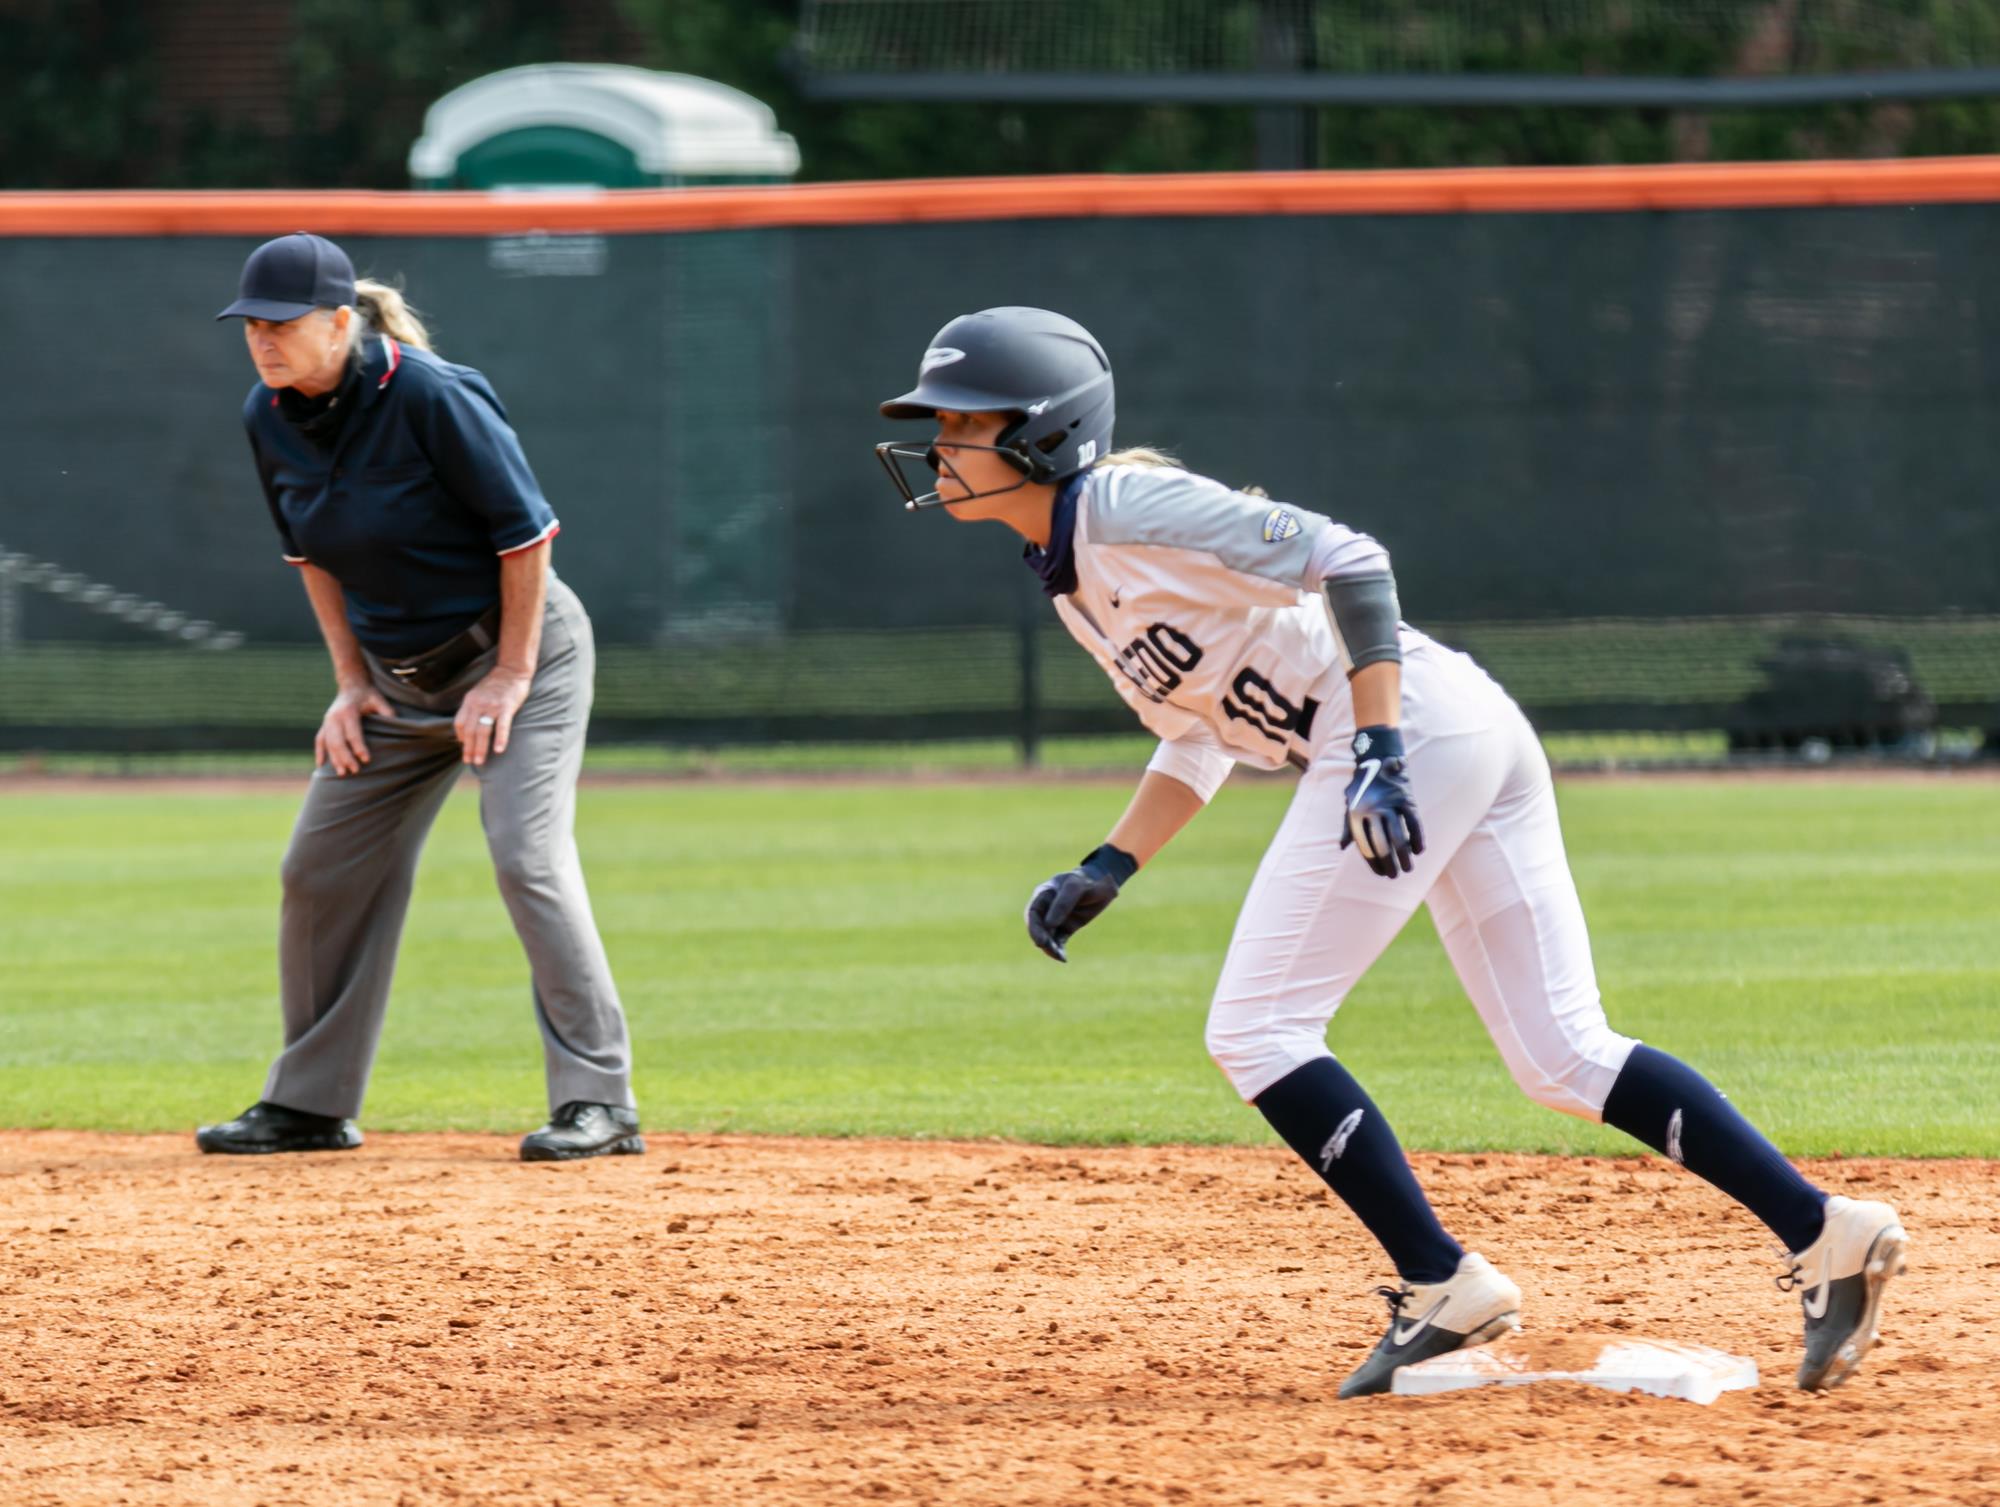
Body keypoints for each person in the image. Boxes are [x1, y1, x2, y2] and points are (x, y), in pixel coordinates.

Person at [874, 307, 1907, 1396]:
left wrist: (1376, 746)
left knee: (1258, 1027)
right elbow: (1198, 733)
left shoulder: (1121, 507)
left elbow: (1349, 557)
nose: (938, 444)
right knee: (1560, 1053)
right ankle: (1825, 1231)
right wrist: (1110, 863)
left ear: (1043, 433)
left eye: (961, 422)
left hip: (1405, 728)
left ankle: (1442, 1282)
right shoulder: (1073, 572)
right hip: (1451, 725)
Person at [196, 232, 642, 1162]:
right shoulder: (267, 414)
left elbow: (526, 537)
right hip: (394, 685)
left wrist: (511, 674)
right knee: (318, 870)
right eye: (252, 326)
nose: (263, 340)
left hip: (518, 659)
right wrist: (350, 683)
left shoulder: (431, 393)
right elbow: (311, 556)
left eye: (282, 324)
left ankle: (598, 1100)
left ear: (339, 322)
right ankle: (311, 1104)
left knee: (526, 857)